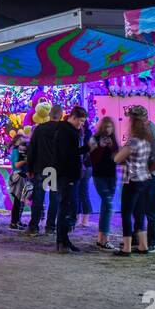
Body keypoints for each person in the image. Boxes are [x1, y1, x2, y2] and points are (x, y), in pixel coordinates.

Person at [113, 109, 155, 254]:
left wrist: (120, 151)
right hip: (145, 179)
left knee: (126, 213)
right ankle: (143, 246)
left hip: (132, 180)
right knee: (139, 213)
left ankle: (127, 248)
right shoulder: (146, 141)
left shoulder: (133, 142)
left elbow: (117, 159)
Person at [51, 107, 86, 254]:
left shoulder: (65, 130)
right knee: (66, 206)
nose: (81, 124)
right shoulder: (67, 132)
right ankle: (62, 240)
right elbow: (70, 154)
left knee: (67, 206)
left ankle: (64, 239)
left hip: (65, 174)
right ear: (74, 117)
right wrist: (88, 147)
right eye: (81, 121)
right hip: (67, 174)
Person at [24, 105, 64, 236]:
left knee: (38, 198)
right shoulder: (63, 129)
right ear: (61, 115)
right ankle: (50, 227)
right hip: (56, 169)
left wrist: (29, 168)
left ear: (49, 114)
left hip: (41, 168)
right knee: (54, 198)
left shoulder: (39, 129)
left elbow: (32, 150)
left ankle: (34, 226)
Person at [131, 105, 155, 253]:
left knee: (150, 209)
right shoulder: (141, 131)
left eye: (132, 119)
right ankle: (138, 238)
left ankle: (154, 241)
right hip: (144, 175)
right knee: (138, 207)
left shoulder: (152, 132)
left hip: (154, 176)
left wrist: (147, 173)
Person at [88, 116, 120, 249]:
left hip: (111, 176)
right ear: (102, 127)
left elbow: (116, 158)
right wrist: (100, 147)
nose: (108, 130)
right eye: (106, 127)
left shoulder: (114, 140)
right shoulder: (94, 139)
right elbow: (92, 159)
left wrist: (113, 149)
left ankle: (101, 238)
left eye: (110, 127)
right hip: (99, 176)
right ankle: (105, 238)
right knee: (108, 204)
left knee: (105, 207)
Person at [7, 131, 31, 229]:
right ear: (17, 141)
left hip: (20, 176)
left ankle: (17, 221)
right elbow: (16, 165)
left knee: (20, 201)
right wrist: (26, 160)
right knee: (18, 201)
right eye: (22, 140)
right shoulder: (16, 151)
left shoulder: (18, 150)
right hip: (18, 176)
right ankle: (14, 222)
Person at [75, 119, 94, 229]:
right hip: (86, 166)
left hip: (84, 166)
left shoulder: (82, 134)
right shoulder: (88, 133)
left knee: (81, 193)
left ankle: (81, 219)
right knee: (81, 193)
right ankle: (82, 219)